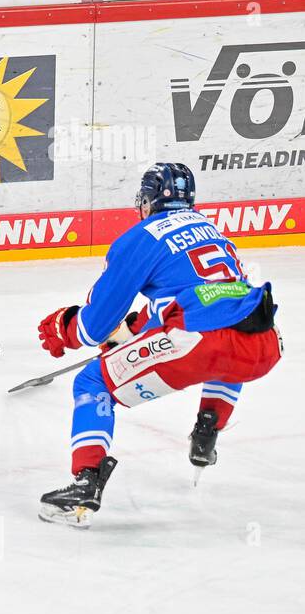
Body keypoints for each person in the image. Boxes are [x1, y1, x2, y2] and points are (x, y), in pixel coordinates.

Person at [35, 163, 282, 527]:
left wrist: (65, 326)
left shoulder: (141, 237)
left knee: (92, 383)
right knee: (228, 348)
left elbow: (92, 329)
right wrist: (138, 331)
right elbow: (210, 299)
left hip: (197, 340)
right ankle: (207, 430)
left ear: (149, 201)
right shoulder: (209, 229)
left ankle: (86, 483)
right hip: (264, 340)